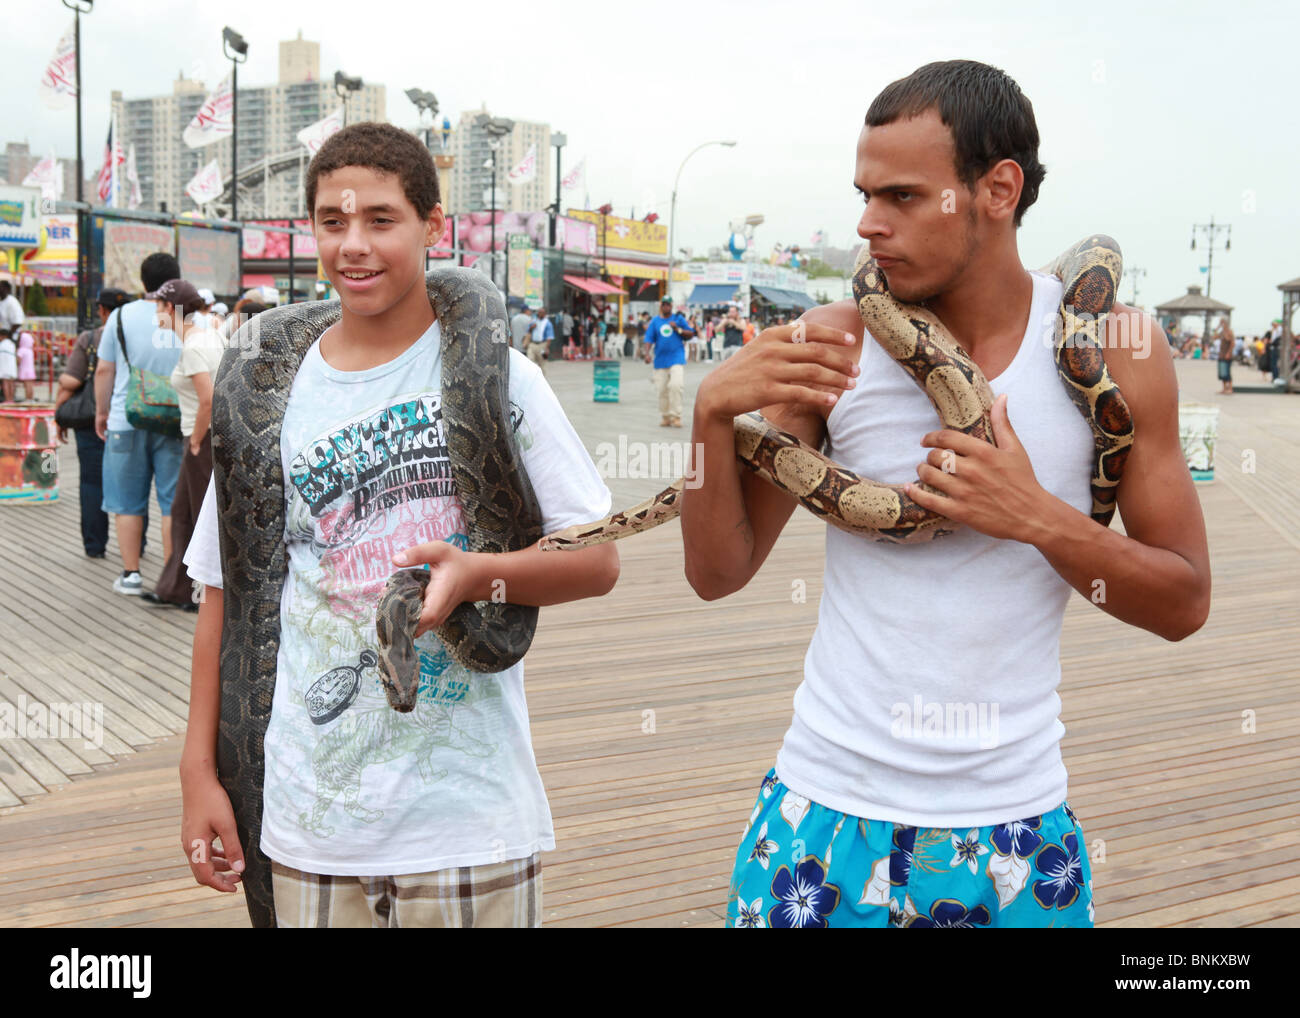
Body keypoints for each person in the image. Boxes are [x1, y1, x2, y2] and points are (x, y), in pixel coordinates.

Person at [680, 59, 1211, 929]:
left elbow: (1183, 601)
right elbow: (718, 571)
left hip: (1017, 834)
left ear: (998, 189)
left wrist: (1037, 516)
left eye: (901, 197)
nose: (868, 224)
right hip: (823, 815)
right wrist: (711, 417)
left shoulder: (1120, 348)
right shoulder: (832, 347)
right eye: (864, 196)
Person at [179, 122, 619, 928]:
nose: (355, 245)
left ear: (432, 227)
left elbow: (596, 560)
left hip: (466, 818)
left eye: (382, 219)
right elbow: (222, 595)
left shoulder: (499, 374)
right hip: (312, 818)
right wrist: (197, 772)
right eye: (333, 222)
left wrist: (482, 576)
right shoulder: (265, 394)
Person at [94, 251, 185, 596]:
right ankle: (169, 574)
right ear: (175, 279)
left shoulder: (119, 316)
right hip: (174, 420)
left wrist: (101, 413)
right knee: (170, 502)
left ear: (142, 281)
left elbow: (105, 370)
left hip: (125, 420)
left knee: (126, 502)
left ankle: (131, 574)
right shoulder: (182, 315)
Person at [147, 279, 225, 609]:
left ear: (170, 308)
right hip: (205, 435)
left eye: (158, 306)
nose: (155, 313)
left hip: (200, 437)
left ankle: (195, 591)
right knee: (182, 511)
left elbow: (207, 400)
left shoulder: (194, 345)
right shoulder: (209, 336)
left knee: (196, 515)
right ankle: (175, 587)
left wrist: (194, 440)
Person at [54, 288, 129, 557]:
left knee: (91, 482)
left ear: (102, 310)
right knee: (132, 483)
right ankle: (136, 546)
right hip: (128, 419)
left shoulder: (90, 338)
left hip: (90, 421)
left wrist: (59, 412)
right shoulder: (136, 336)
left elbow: (72, 380)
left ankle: (95, 545)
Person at [643, 297, 695, 428]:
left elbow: (691, 334)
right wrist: (647, 353)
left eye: (668, 304)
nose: (666, 307)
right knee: (661, 390)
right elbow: (649, 339)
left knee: (676, 385)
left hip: (676, 358)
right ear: (661, 306)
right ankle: (665, 416)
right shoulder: (655, 321)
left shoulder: (678, 319)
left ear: (671, 306)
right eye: (664, 304)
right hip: (660, 360)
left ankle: (676, 416)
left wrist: (678, 328)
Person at [528, 308, 554, 374]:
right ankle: (532, 376)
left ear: (545, 314)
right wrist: (531, 328)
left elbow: (549, 337)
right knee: (530, 360)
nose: (540, 314)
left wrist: (547, 348)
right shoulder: (534, 321)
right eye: (539, 312)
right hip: (533, 344)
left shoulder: (548, 323)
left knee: (542, 363)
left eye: (542, 312)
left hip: (542, 345)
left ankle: (542, 379)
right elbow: (528, 331)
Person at [1215, 317, 1234, 395]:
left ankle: (1230, 388)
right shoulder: (1221, 332)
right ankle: (1224, 388)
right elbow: (1214, 337)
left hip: (1227, 354)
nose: (1222, 324)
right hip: (1221, 354)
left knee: (1227, 372)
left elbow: (1232, 343)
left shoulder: (1229, 332)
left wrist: (1229, 353)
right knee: (1222, 372)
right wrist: (1217, 328)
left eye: (1222, 322)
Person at [16, 331, 36, 401]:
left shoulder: (21, 350)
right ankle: (31, 398)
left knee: (27, 386)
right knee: (30, 386)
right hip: (31, 370)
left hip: (24, 370)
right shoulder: (30, 350)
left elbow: (18, 361)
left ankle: (27, 399)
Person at [0, 328, 16, 402]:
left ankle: (7, 399)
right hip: (12, 366)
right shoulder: (12, 344)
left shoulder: (2, 344)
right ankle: (11, 399)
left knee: (5, 383)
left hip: (5, 366)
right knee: (11, 383)